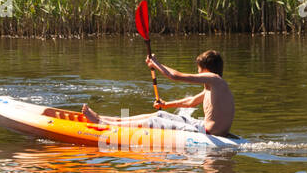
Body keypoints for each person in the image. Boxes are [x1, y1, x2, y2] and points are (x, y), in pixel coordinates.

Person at [81, 49, 235, 137]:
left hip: (208, 132)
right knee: (159, 115)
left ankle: (102, 124)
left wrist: (156, 63)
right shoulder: (215, 86)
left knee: (154, 121)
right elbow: (191, 102)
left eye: (199, 68)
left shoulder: (213, 79)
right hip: (205, 126)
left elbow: (175, 76)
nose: (197, 72)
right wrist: (166, 105)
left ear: (206, 69)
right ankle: (104, 118)